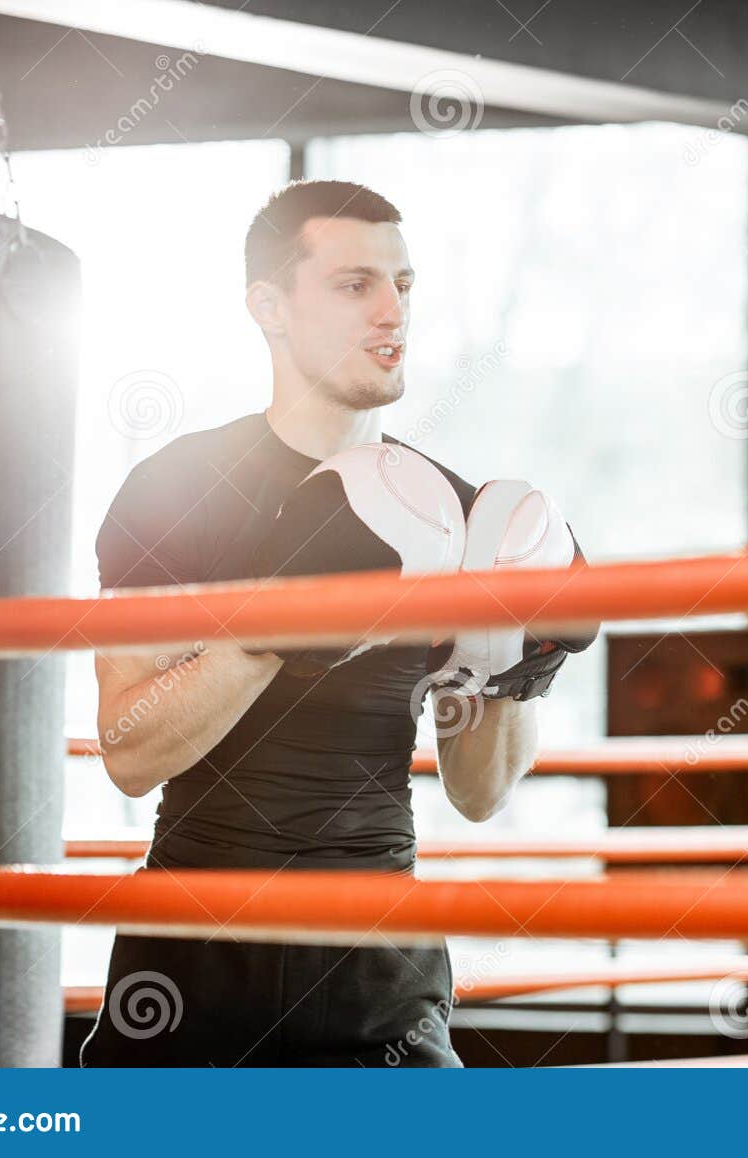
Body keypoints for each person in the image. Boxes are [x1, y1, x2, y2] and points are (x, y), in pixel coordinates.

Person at [80, 180, 586, 1067]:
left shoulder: (455, 513)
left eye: (404, 283)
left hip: (378, 978)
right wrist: (278, 618)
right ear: (269, 308)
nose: (393, 311)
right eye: (356, 285)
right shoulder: (176, 490)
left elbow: (479, 793)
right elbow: (129, 751)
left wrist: (516, 669)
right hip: (195, 967)